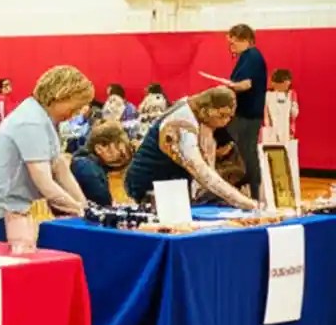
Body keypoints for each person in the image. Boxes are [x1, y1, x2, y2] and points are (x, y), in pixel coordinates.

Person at [0, 65, 95, 251]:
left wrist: (85, 205)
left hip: (10, 203)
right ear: (60, 96)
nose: (76, 112)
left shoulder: (44, 119)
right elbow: (45, 183)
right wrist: (81, 210)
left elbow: (60, 168)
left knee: (23, 254)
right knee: (15, 260)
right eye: (75, 105)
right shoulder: (31, 122)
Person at [124, 87, 256, 210]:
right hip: (148, 185)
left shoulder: (192, 107)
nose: (226, 121)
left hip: (168, 183)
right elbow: (201, 172)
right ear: (207, 109)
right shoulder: (182, 124)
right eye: (222, 115)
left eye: (230, 117)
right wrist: (243, 202)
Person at [220, 24, 268, 199]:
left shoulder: (251, 57)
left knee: (245, 153)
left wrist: (230, 86)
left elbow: (247, 84)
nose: (231, 46)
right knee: (245, 152)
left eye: (233, 42)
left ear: (244, 39)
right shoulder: (247, 57)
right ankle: (249, 191)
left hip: (246, 115)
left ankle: (252, 192)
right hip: (247, 114)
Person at [70, 121, 133, 207]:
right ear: (99, 149)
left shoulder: (84, 163)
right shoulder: (88, 170)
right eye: (121, 153)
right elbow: (104, 206)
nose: (125, 156)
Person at [261, 68, 297, 144]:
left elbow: (294, 114)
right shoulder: (268, 95)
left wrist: (293, 101)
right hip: (271, 132)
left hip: (286, 132)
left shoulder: (291, 94)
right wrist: (269, 130)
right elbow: (265, 115)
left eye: (288, 82)